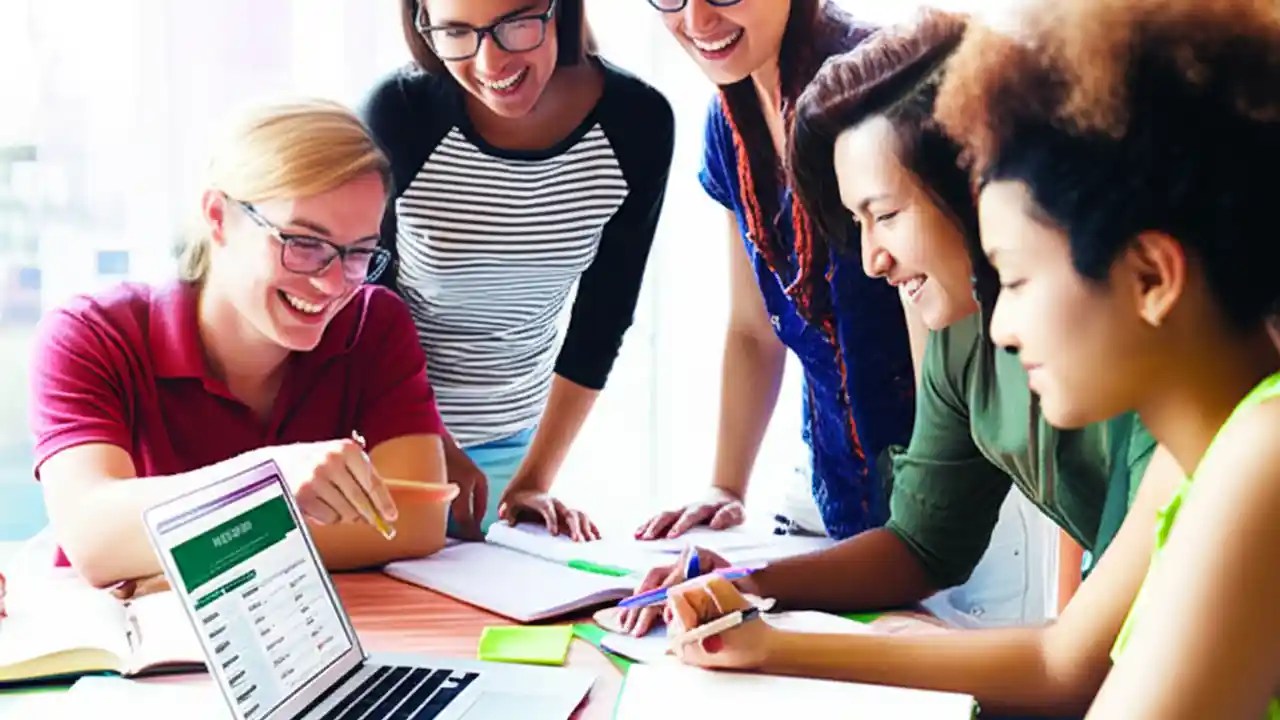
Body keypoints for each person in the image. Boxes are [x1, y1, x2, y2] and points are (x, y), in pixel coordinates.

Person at [666, 1, 1280, 717]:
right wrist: (766, 623)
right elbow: (1055, 650)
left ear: (1151, 277)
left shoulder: (1258, 455)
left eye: (1015, 279)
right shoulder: (1213, 451)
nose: (1004, 327)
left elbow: (1071, 669)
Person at [623, 7, 1167, 637]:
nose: (872, 261)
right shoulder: (959, 332)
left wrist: (782, 647)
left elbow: (1078, 662)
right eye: (856, 223)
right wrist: (744, 586)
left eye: (883, 215)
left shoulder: (1156, 374)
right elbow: (920, 544)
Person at [29, 100, 454, 589]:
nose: (335, 282)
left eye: (358, 253)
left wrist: (187, 564)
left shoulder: (373, 323)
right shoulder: (89, 335)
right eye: (303, 243)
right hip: (126, 652)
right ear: (218, 217)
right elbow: (95, 540)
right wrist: (271, 477)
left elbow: (417, 520)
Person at [362, 0, 675, 541]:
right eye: (456, 32)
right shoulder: (402, 113)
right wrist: (432, 440)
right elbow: (366, 305)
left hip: (518, 443)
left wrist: (535, 478)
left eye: (515, 23)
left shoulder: (636, 123)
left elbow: (602, 321)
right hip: (391, 435)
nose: (490, 62)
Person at [634, 0, 916, 551]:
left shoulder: (883, 84)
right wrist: (725, 485)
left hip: (956, 507)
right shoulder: (729, 122)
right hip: (844, 498)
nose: (695, 23)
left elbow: (949, 328)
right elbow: (753, 329)